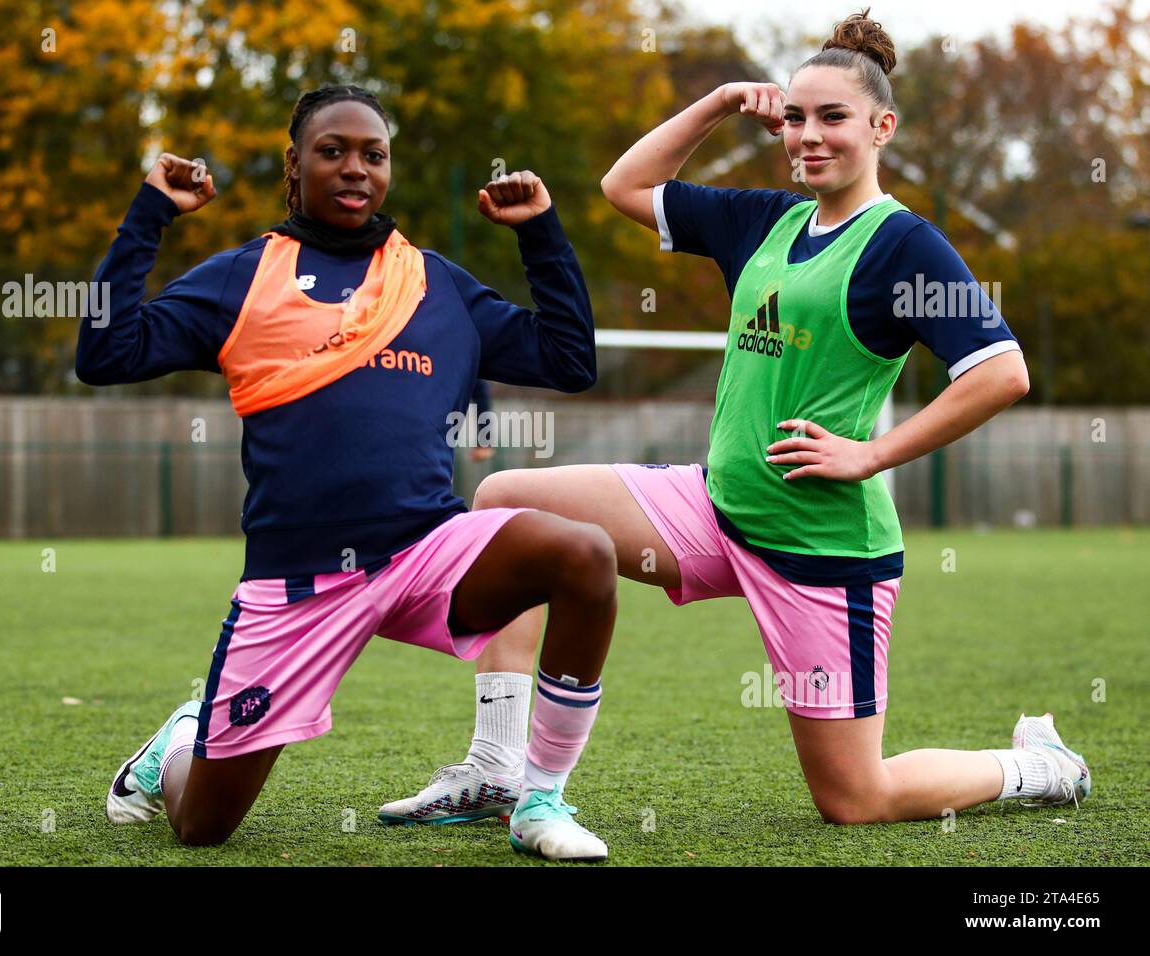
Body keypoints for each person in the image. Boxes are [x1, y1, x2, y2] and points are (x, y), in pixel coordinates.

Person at [380, 11, 1091, 828]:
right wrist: (718, 102)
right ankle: (499, 769)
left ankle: (1038, 765)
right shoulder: (766, 220)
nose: (808, 136)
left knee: (856, 800)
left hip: (821, 553)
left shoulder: (906, 247)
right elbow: (625, 188)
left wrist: (871, 455)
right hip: (713, 510)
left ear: (882, 126)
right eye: (795, 116)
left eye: (833, 118)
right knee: (505, 500)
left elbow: (1004, 371)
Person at [78, 84, 618, 860]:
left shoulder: (435, 285)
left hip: (424, 555)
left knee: (584, 554)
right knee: (203, 828)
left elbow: (570, 361)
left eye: (374, 154)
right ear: (294, 166)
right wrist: (150, 214)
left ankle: (540, 800)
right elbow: (105, 353)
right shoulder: (244, 277)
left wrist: (540, 233)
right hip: (295, 586)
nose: (355, 168)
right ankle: (183, 737)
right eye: (332, 151)